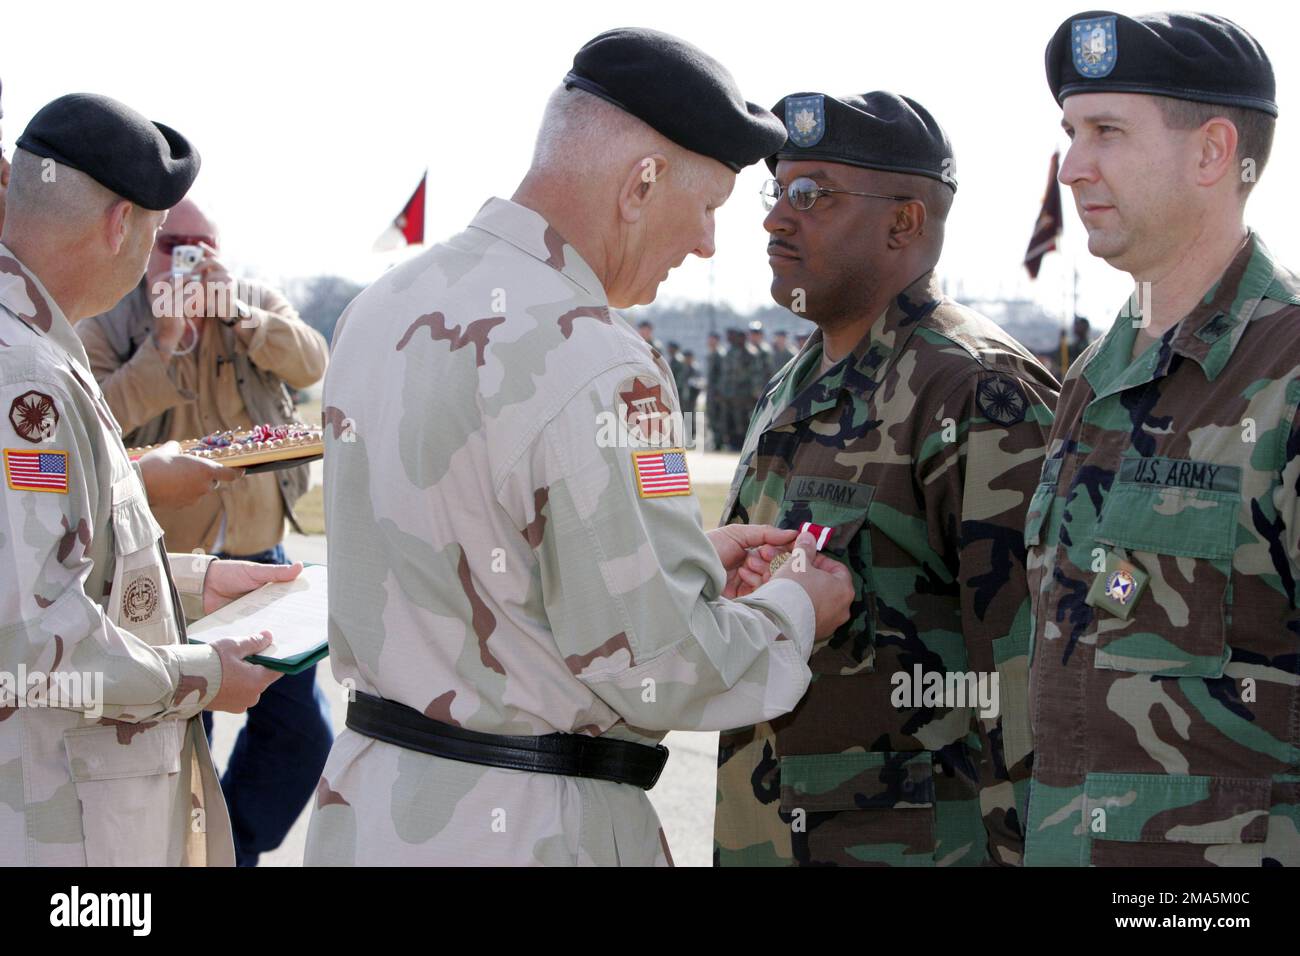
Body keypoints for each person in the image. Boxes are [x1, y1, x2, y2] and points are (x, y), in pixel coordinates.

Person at [303, 27, 854, 867]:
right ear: (641, 183)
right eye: (706, 209)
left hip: (374, 809)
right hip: (529, 826)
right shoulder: (602, 361)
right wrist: (794, 612)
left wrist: (685, 558)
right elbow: (660, 664)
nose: (707, 243)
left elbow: (467, 554)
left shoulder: (384, 307)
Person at [714, 90, 1060, 866]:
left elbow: (1032, 684)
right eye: (778, 191)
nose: (776, 217)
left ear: (905, 222)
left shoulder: (975, 392)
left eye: (812, 195)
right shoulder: (795, 383)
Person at [1026, 11, 1298, 867]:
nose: (1073, 167)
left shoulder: (1286, 373)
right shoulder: (1091, 380)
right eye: (1072, 132)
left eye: (1107, 131)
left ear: (1214, 153)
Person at [0, 92, 298, 866]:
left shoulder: (36, 347)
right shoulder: (26, 374)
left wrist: (192, 585)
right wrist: (203, 676)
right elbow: (31, 639)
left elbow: (51, 561)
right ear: (118, 224)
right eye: (159, 235)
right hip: (56, 832)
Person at [77, 196, 333, 866]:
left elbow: (312, 364)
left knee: (299, 733)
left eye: (202, 246)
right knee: (188, 731)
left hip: (258, 556)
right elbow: (97, 420)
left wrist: (240, 317)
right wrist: (163, 343)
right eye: (174, 244)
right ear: (147, 243)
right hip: (169, 565)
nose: (189, 259)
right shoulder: (113, 316)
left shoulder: (248, 301)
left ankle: (235, 850)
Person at [704, 330, 727, 450]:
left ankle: (719, 442)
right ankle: (715, 441)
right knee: (711, 415)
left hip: (717, 392)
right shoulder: (711, 354)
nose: (710, 341)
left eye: (712, 339)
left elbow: (722, 375)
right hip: (711, 391)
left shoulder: (719, 354)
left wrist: (719, 391)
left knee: (717, 416)